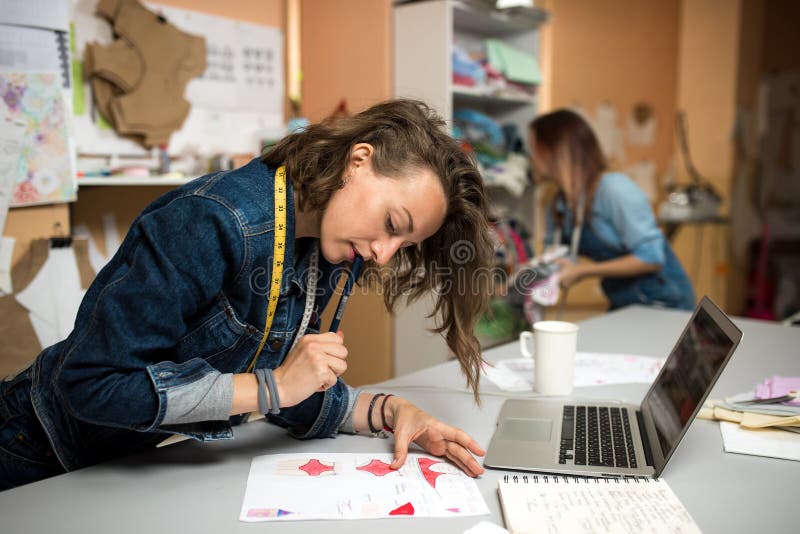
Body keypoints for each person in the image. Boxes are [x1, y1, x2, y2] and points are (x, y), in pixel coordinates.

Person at [0, 99, 494, 490]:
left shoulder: (321, 247)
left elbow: (292, 393)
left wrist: (390, 412)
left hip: (119, 467)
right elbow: (91, 385)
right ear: (359, 160)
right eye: (391, 223)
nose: (384, 255)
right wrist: (272, 386)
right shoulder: (213, 220)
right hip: (33, 446)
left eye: (402, 245)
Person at [529, 109, 695, 310]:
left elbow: (652, 257)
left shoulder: (613, 189)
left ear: (553, 150)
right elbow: (557, 256)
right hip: (624, 300)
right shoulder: (558, 205)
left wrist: (583, 271)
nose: (531, 158)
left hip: (665, 299)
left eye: (534, 148)